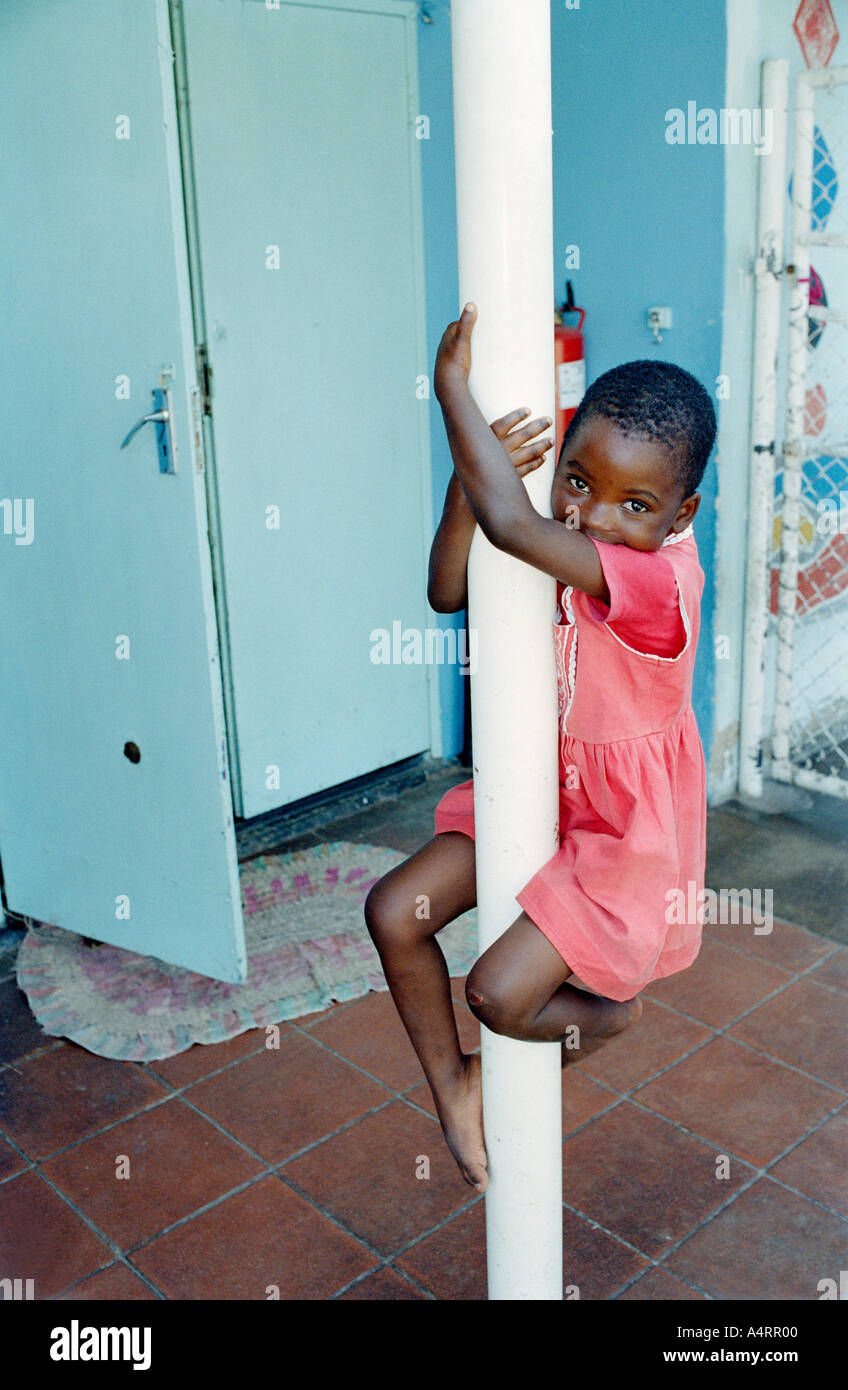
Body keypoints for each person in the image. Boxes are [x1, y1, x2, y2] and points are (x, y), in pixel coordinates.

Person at [365, 302, 716, 1194]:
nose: (596, 517)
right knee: (393, 911)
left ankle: (604, 1017)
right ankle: (453, 1086)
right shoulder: (578, 539)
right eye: (577, 481)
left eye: (635, 503)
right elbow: (449, 590)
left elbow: (517, 530)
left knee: (497, 994)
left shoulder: (660, 580)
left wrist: (453, 393)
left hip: (617, 825)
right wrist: (464, 489)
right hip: (538, 788)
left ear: (684, 512)